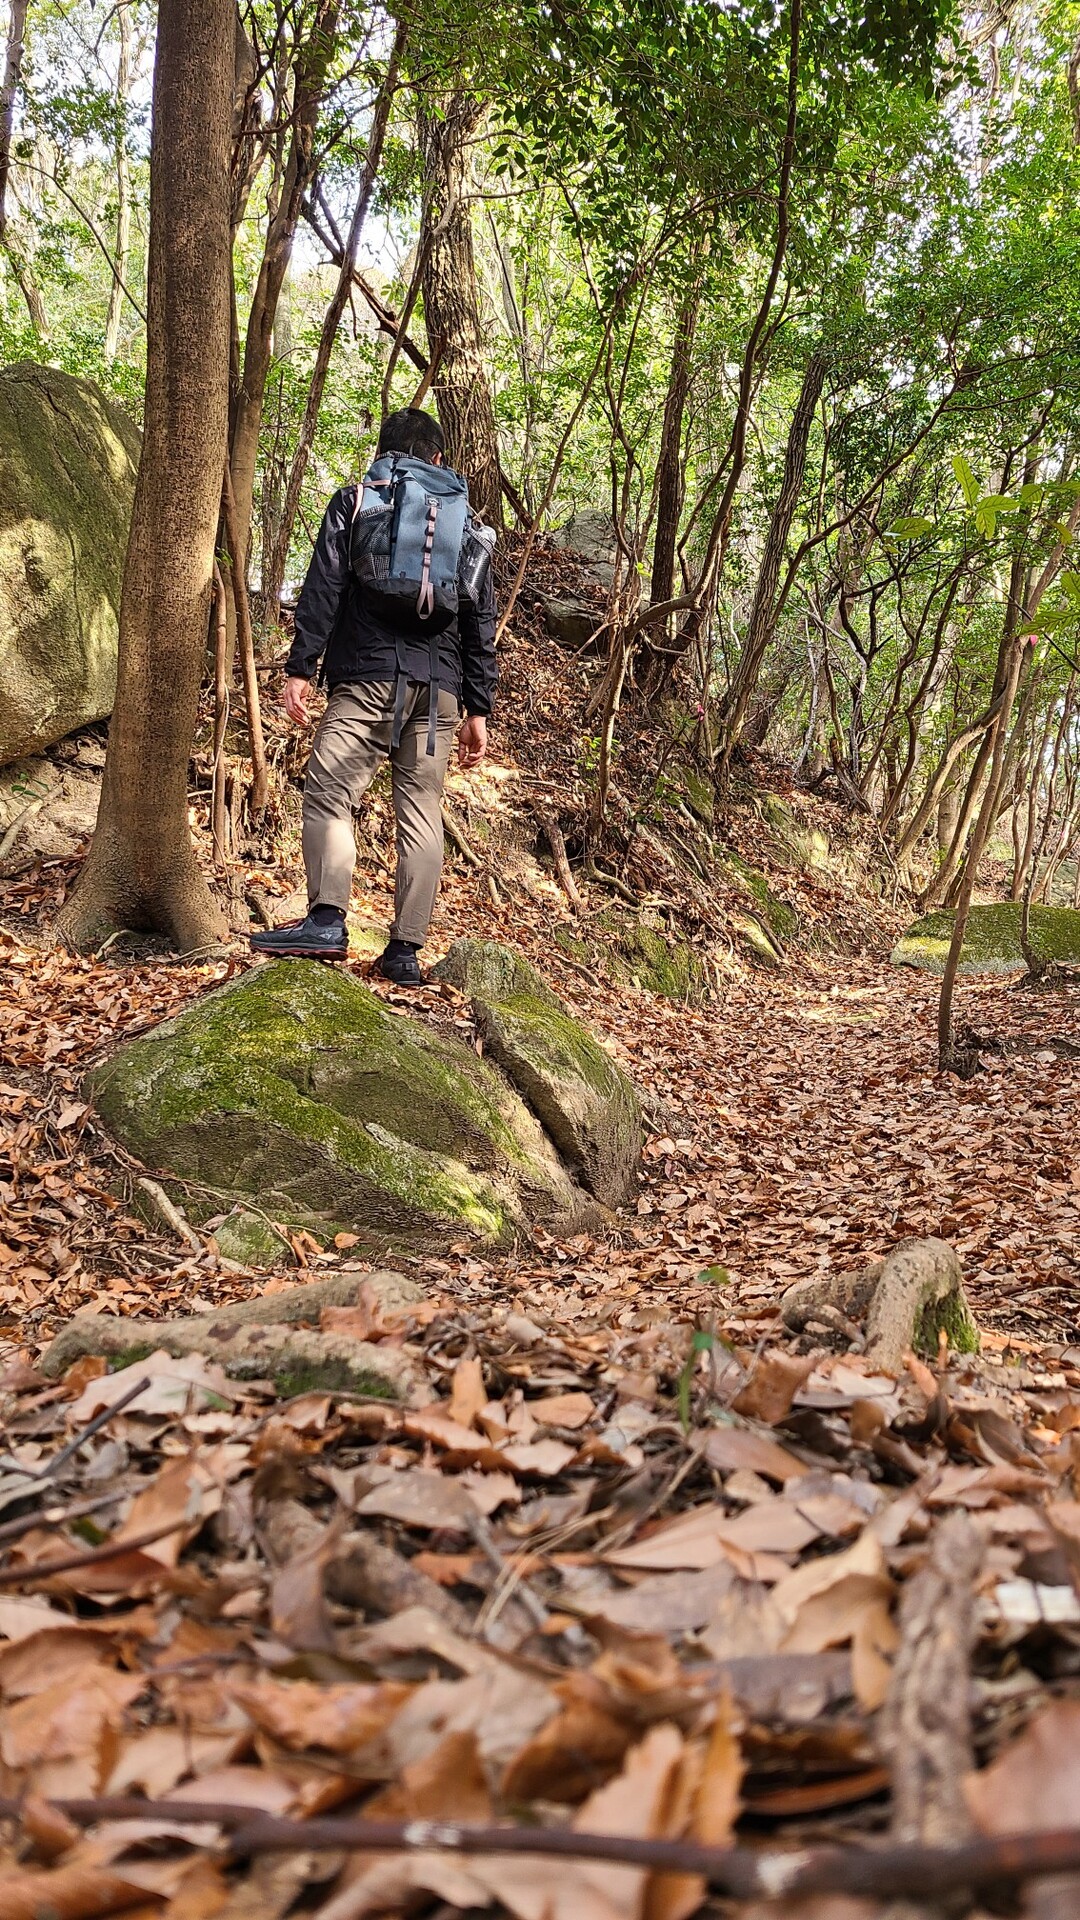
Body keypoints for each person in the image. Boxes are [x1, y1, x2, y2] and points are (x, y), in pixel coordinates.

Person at [251, 408, 498, 986]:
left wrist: (301, 665)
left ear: (385, 451)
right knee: (422, 814)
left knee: (331, 789)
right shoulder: (469, 526)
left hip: (365, 677)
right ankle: (405, 952)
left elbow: (325, 586)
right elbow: (478, 621)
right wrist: (478, 708)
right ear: (438, 458)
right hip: (438, 694)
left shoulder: (358, 501)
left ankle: (327, 919)